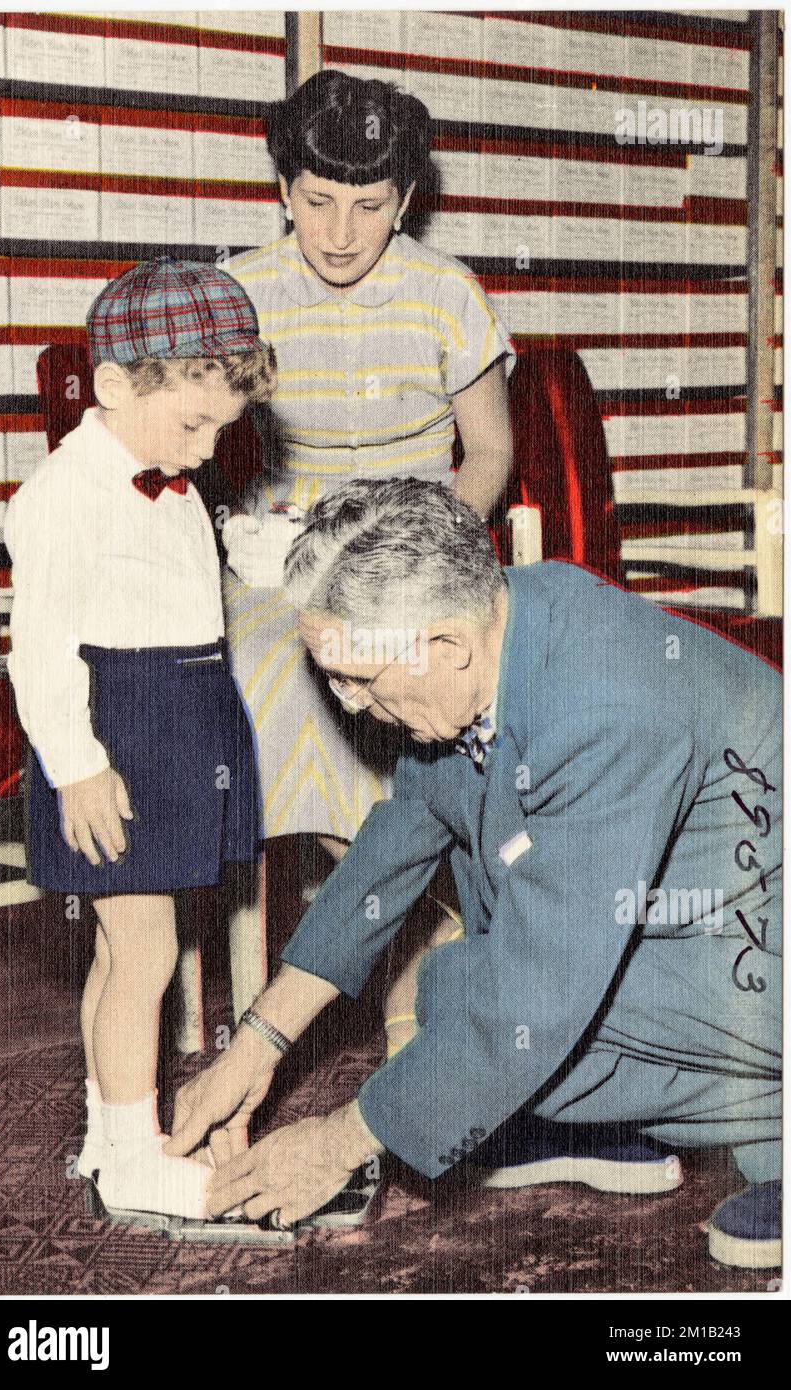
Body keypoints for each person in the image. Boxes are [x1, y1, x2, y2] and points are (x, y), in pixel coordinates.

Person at [166, 477, 781, 1271]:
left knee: (501, 1015)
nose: (348, 705)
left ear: (445, 645)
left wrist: (339, 1141)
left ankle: (766, 1121)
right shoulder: (495, 618)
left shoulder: (604, 709)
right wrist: (256, 1042)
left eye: (357, 678)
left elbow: (538, 991)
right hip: (713, 928)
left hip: (760, 948)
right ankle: (603, 1115)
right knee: (457, 998)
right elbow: (401, 839)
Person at [220, 68, 515, 1055]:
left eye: (369, 206)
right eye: (315, 202)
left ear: (407, 200)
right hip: (273, 570)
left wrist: (421, 549)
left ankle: (411, 948)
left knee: (383, 655)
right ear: (281, 188)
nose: (339, 232)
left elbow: (491, 454)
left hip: (412, 557)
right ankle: (418, 936)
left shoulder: (443, 293)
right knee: (302, 664)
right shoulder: (240, 293)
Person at [5, 257, 275, 1221]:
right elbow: (37, 648)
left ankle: (106, 1134)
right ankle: (131, 1155)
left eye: (220, 429)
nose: (205, 451)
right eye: (193, 424)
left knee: (123, 955)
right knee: (144, 951)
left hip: (175, 718)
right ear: (116, 386)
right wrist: (76, 768)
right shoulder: (62, 492)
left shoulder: (164, 475)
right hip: (118, 736)